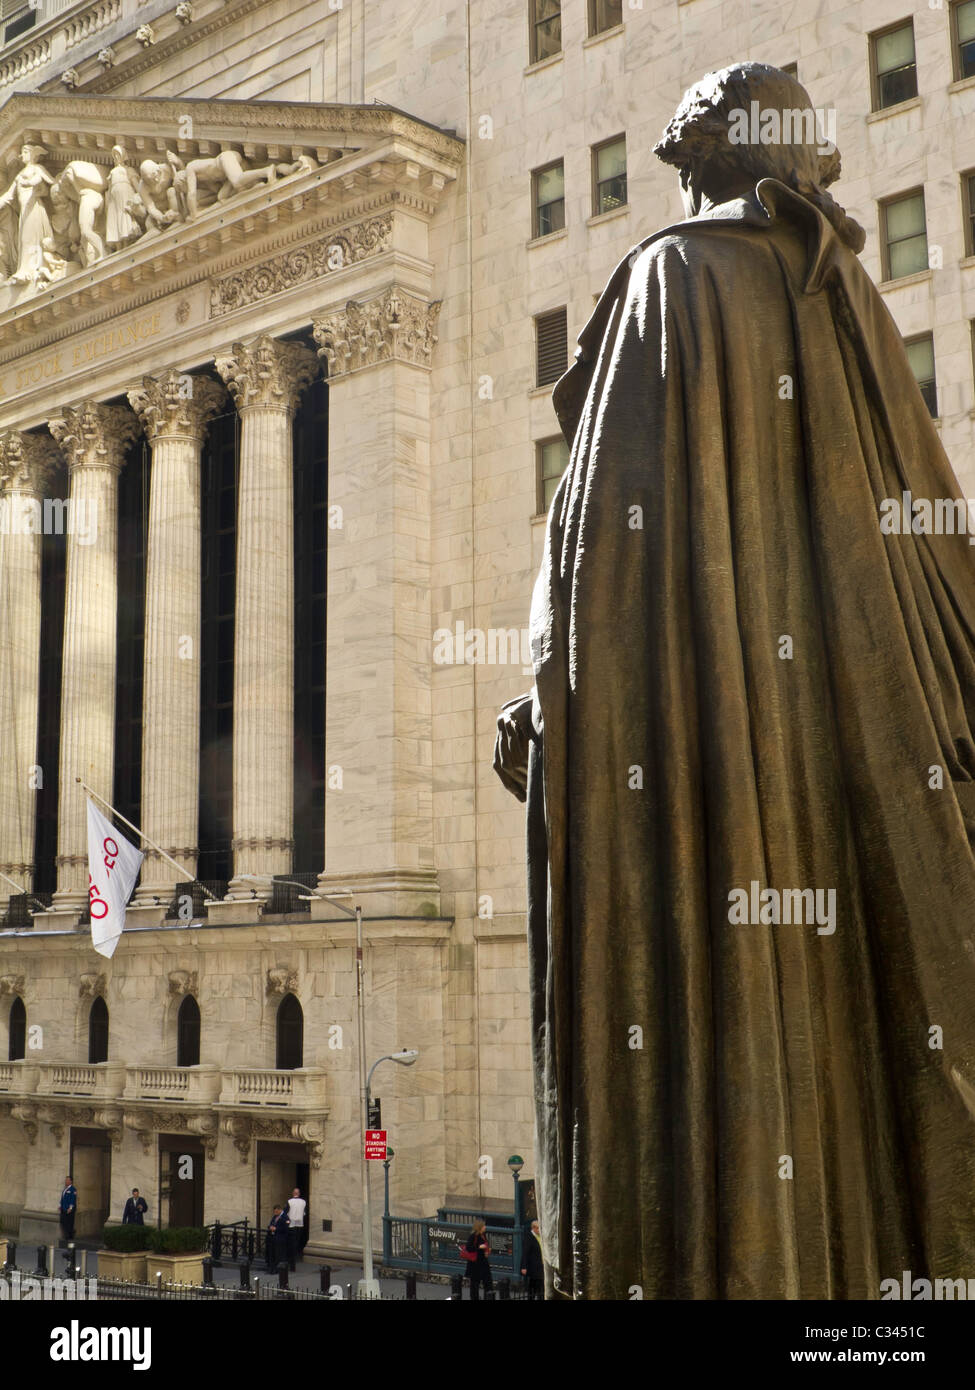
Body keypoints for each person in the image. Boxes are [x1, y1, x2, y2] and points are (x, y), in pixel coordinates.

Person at [494, 60, 975, 1300]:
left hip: (702, 761)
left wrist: (552, 696)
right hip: (850, 762)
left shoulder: (673, 280)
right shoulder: (848, 300)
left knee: (714, 1020)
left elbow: (599, 538)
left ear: (708, 158)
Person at [464, 1219, 492, 1301]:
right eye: (483, 1226)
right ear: (479, 1227)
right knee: (475, 1284)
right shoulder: (473, 1236)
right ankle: (474, 1298)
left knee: (488, 1281)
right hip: (475, 1264)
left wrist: (487, 1250)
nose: (485, 1227)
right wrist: (479, 1247)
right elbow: (468, 1247)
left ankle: (488, 1297)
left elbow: (485, 1245)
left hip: (483, 1262)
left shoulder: (483, 1235)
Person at [520, 1219, 543, 1300]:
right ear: (534, 1228)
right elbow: (525, 1253)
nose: (540, 1230)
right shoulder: (529, 1237)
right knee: (533, 1286)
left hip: (540, 1266)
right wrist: (524, 1266)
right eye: (539, 1228)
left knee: (541, 1286)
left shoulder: (540, 1236)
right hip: (533, 1267)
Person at [285, 1187, 306, 1270]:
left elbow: (286, 1213)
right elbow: (304, 1213)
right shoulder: (303, 1202)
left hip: (291, 1225)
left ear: (293, 1193)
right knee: (296, 1243)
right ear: (299, 1194)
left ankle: (291, 1262)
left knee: (290, 1244)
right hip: (300, 1224)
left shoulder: (289, 1201)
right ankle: (294, 1259)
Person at [267, 1205, 289, 1269]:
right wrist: (270, 1227)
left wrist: (276, 1229)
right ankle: (272, 1266)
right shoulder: (275, 1216)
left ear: (280, 1210)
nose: (275, 1213)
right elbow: (271, 1223)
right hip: (273, 1237)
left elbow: (285, 1228)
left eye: (276, 1211)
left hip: (281, 1238)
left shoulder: (285, 1217)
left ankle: (279, 1267)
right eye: (274, 1211)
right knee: (274, 1253)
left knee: (279, 1253)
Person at [58, 1176, 76, 1243]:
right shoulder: (65, 1189)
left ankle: (70, 1236)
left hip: (69, 1209)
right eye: (66, 1180)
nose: (66, 1181)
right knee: (63, 1221)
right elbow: (62, 1198)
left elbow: (72, 1199)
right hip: (63, 1208)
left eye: (68, 1180)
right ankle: (67, 1234)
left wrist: (70, 1208)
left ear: (71, 1181)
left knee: (69, 1223)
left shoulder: (73, 1189)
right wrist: (60, 1205)